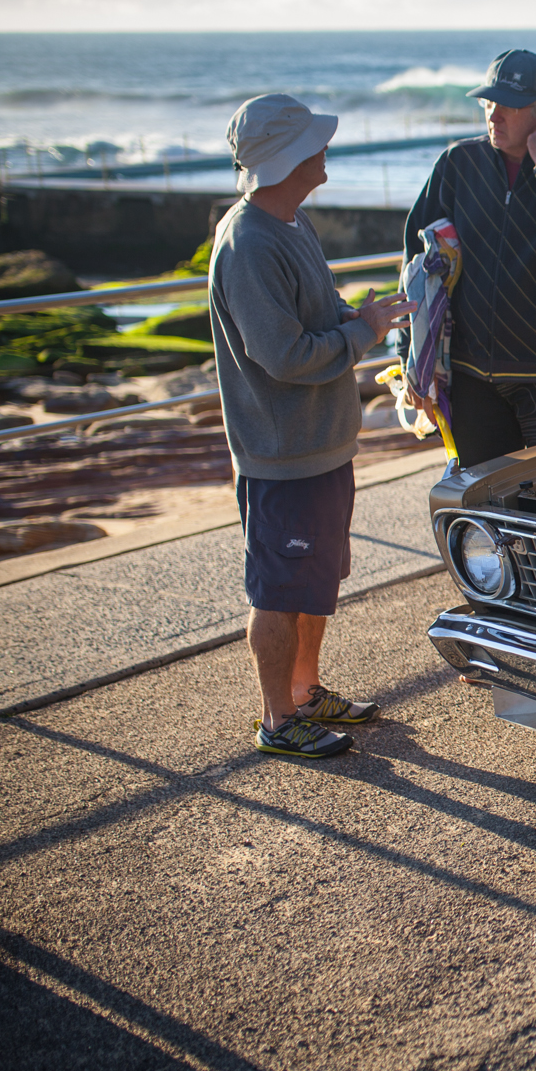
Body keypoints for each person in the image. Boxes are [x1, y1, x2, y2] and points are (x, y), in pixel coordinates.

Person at [210, 94, 418, 759]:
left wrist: (360, 319)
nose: (326, 149)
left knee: (312, 583)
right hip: (282, 454)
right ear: (290, 157)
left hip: (320, 447)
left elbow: (316, 321)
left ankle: (305, 692)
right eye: (315, 142)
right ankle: (278, 720)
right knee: (278, 590)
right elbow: (283, 356)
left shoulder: (290, 222)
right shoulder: (248, 242)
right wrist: (361, 331)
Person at [404, 49, 536, 469]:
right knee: (487, 511)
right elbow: (415, 263)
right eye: (488, 103)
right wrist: (412, 360)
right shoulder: (457, 164)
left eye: (508, 106)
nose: (493, 116)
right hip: (470, 377)